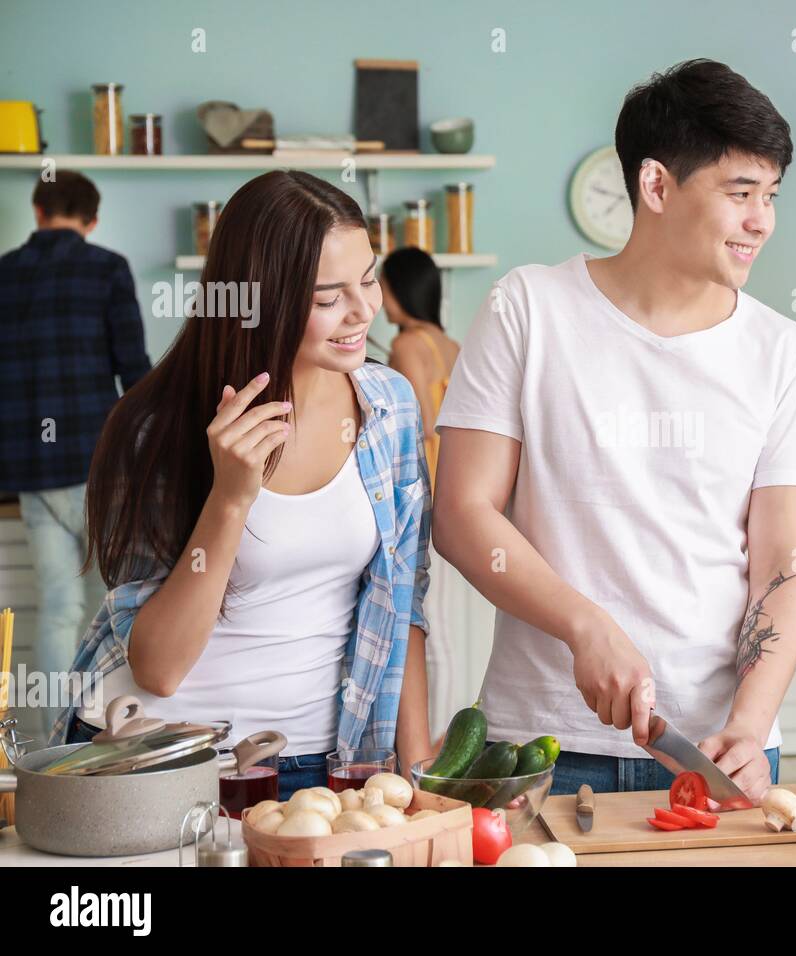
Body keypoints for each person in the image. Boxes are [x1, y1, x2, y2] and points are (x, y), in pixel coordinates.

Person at [433, 59, 796, 801]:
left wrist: (752, 722)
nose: (762, 221)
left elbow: (788, 561)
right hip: (542, 745)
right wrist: (586, 627)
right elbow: (460, 516)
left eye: (770, 195)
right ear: (656, 186)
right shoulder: (528, 310)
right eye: (740, 193)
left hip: (719, 751)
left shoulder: (782, 354)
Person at [48, 170, 436, 797]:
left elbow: (404, 604)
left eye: (368, 279)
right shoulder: (156, 429)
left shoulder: (388, 407)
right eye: (326, 297)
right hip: (160, 765)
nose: (364, 311)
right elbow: (160, 666)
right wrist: (230, 497)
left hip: (324, 767)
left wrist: (416, 773)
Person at [0, 170, 150, 737]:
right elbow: (133, 372)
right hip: (99, 464)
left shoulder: (5, 275)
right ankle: (117, 738)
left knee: (58, 606)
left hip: (32, 474)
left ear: (39, 211)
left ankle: (49, 746)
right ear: (91, 220)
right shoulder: (107, 268)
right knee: (118, 603)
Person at [381, 247, 460, 746]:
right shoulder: (447, 343)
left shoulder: (408, 344)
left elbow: (411, 427)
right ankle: (437, 743)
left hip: (418, 495)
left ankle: (424, 744)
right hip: (453, 489)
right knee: (443, 627)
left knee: (419, 631)